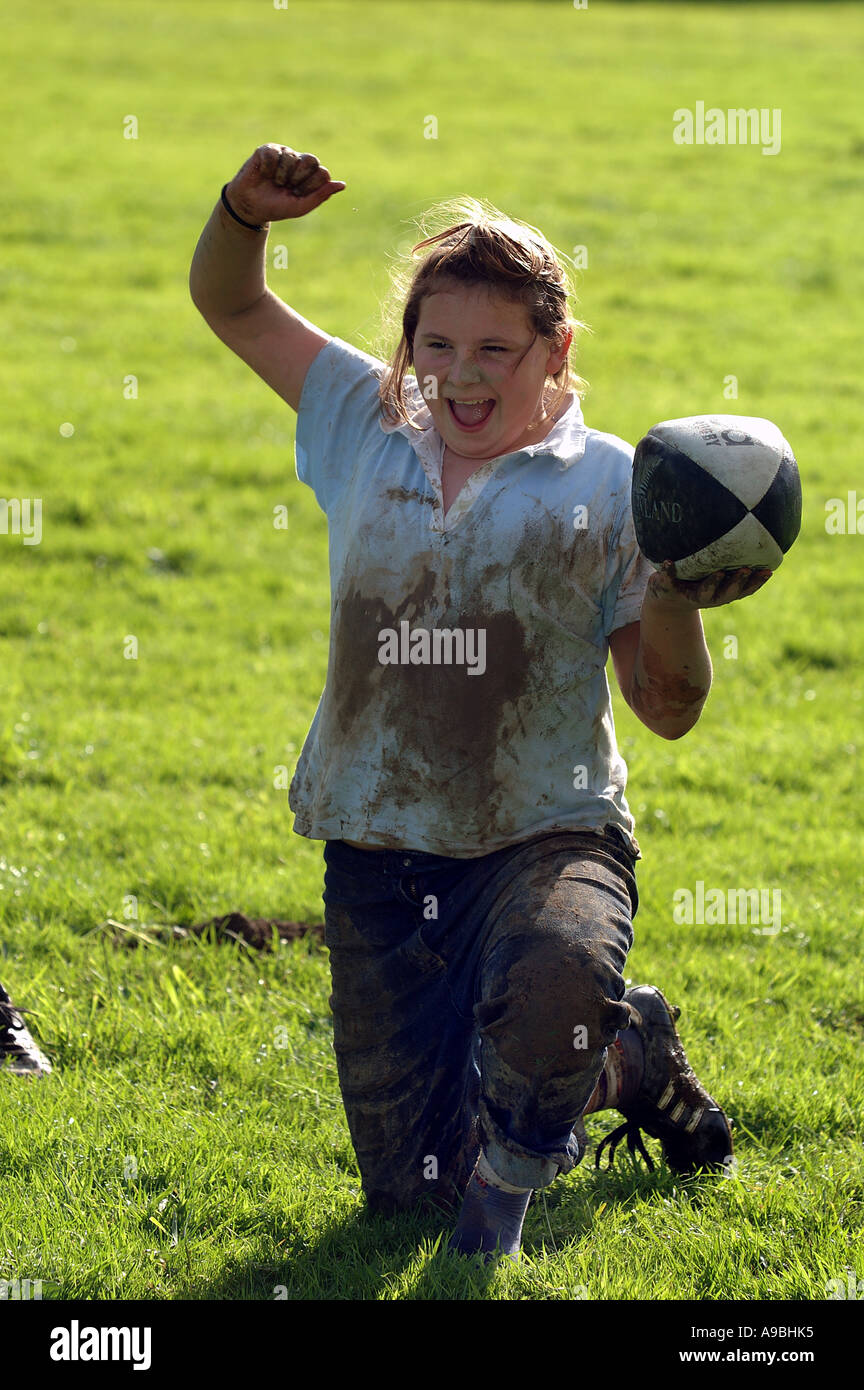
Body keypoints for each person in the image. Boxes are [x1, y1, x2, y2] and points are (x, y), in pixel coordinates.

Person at [189, 145, 771, 1261]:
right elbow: (232, 299)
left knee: (551, 985)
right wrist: (240, 213)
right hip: (377, 843)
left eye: (497, 349)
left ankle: (501, 1215)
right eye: (437, 344)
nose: (462, 373)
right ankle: (626, 1059)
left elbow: (667, 707)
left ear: (555, 352)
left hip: (546, 829)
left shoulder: (616, 486)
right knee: (407, 1191)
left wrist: (678, 596)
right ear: (408, 348)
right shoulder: (363, 422)